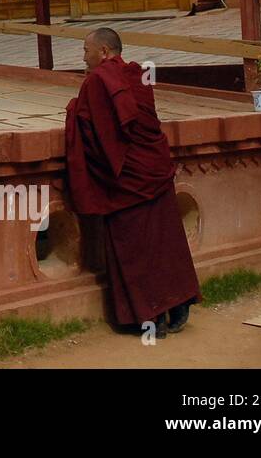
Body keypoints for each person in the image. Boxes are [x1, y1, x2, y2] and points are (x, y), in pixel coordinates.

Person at [64, 27, 200, 338]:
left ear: (104, 52)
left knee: (134, 247)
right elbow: (144, 122)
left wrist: (72, 110)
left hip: (126, 180)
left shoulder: (98, 80)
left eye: (86, 50)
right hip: (155, 170)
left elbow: (91, 127)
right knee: (168, 243)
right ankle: (177, 305)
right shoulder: (138, 74)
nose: (83, 57)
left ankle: (151, 318)